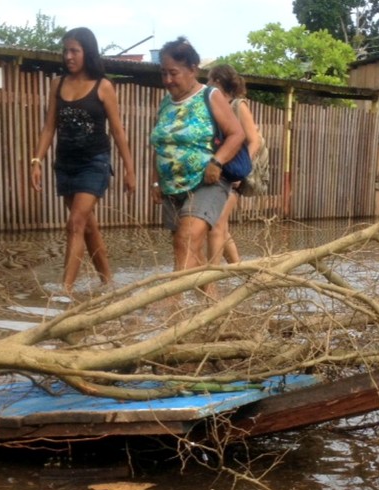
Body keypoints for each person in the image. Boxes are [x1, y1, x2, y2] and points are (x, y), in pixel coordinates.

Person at [30, 27, 136, 293]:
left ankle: (65, 291)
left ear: (87, 52)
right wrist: (36, 160)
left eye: (74, 50)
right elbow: (48, 127)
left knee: (75, 223)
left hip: (95, 162)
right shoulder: (58, 84)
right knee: (88, 226)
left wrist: (129, 170)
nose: (68, 56)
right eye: (65, 50)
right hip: (65, 164)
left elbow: (118, 131)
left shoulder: (103, 86)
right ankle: (108, 282)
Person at [149, 37, 245, 273]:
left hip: (207, 182)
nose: (168, 80)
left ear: (192, 69)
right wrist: (155, 180)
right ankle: (213, 304)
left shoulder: (210, 96)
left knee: (186, 240)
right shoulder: (165, 103)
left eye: (173, 72)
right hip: (173, 187)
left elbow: (237, 134)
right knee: (187, 250)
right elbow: (160, 145)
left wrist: (217, 161)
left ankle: (171, 305)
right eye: (163, 73)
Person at [206, 64, 262, 266]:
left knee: (216, 225)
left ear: (217, 82)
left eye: (210, 80)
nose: (207, 85)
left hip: (235, 174)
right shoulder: (216, 106)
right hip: (222, 172)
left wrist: (239, 173)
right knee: (222, 228)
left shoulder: (238, 106)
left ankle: (209, 278)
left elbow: (254, 141)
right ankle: (240, 272)